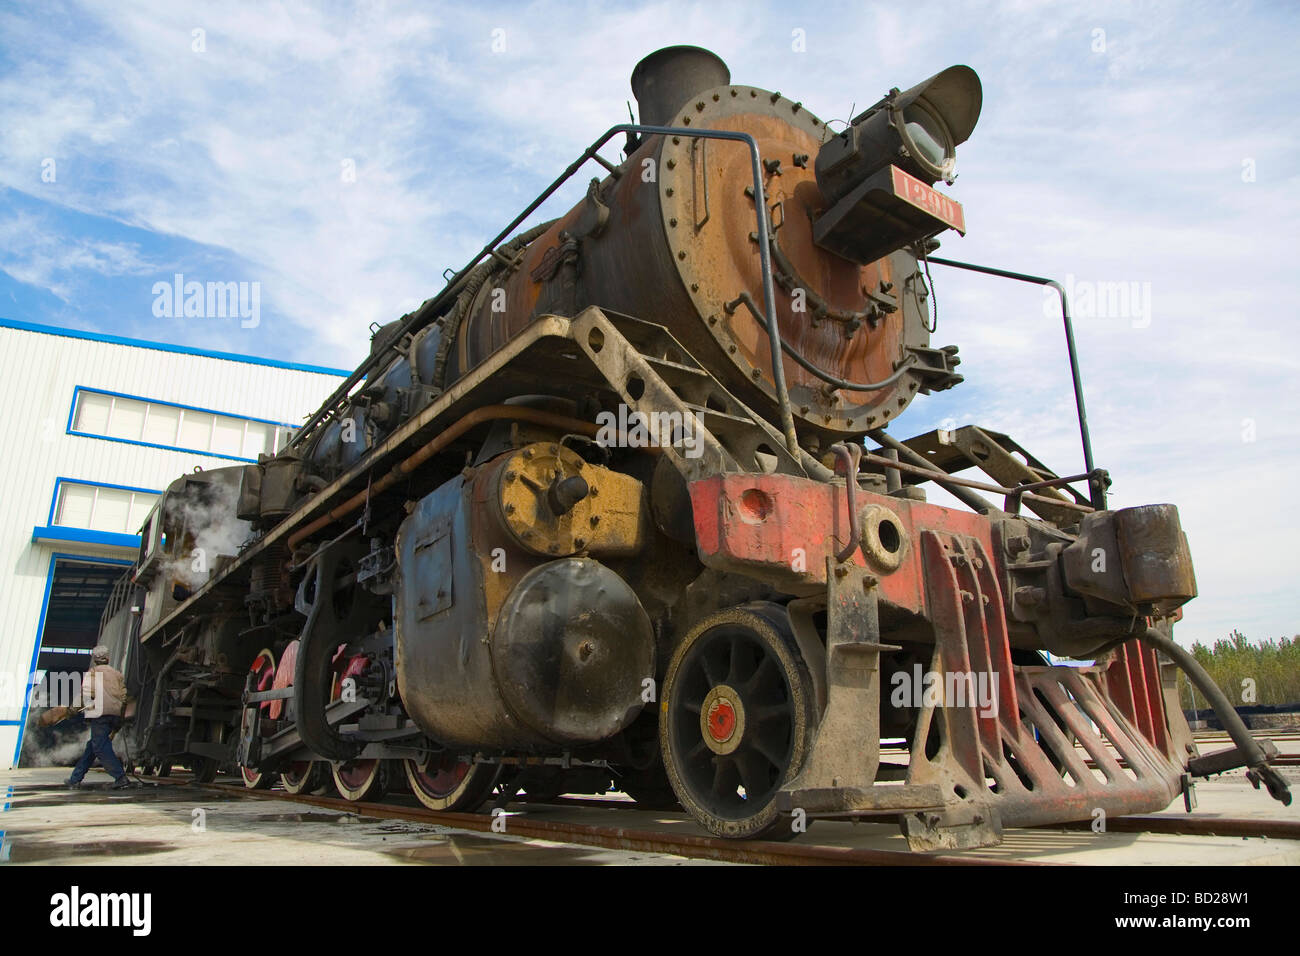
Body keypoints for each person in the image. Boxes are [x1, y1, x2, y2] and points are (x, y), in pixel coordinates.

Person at [65, 646, 131, 789]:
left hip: (100, 714)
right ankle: (75, 779)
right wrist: (120, 718)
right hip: (114, 714)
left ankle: (120, 778)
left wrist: (71, 710)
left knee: (100, 747)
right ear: (108, 658)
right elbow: (124, 698)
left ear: (95, 660)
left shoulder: (93, 673)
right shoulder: (117, 674)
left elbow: (85, 695)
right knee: (93, 746)